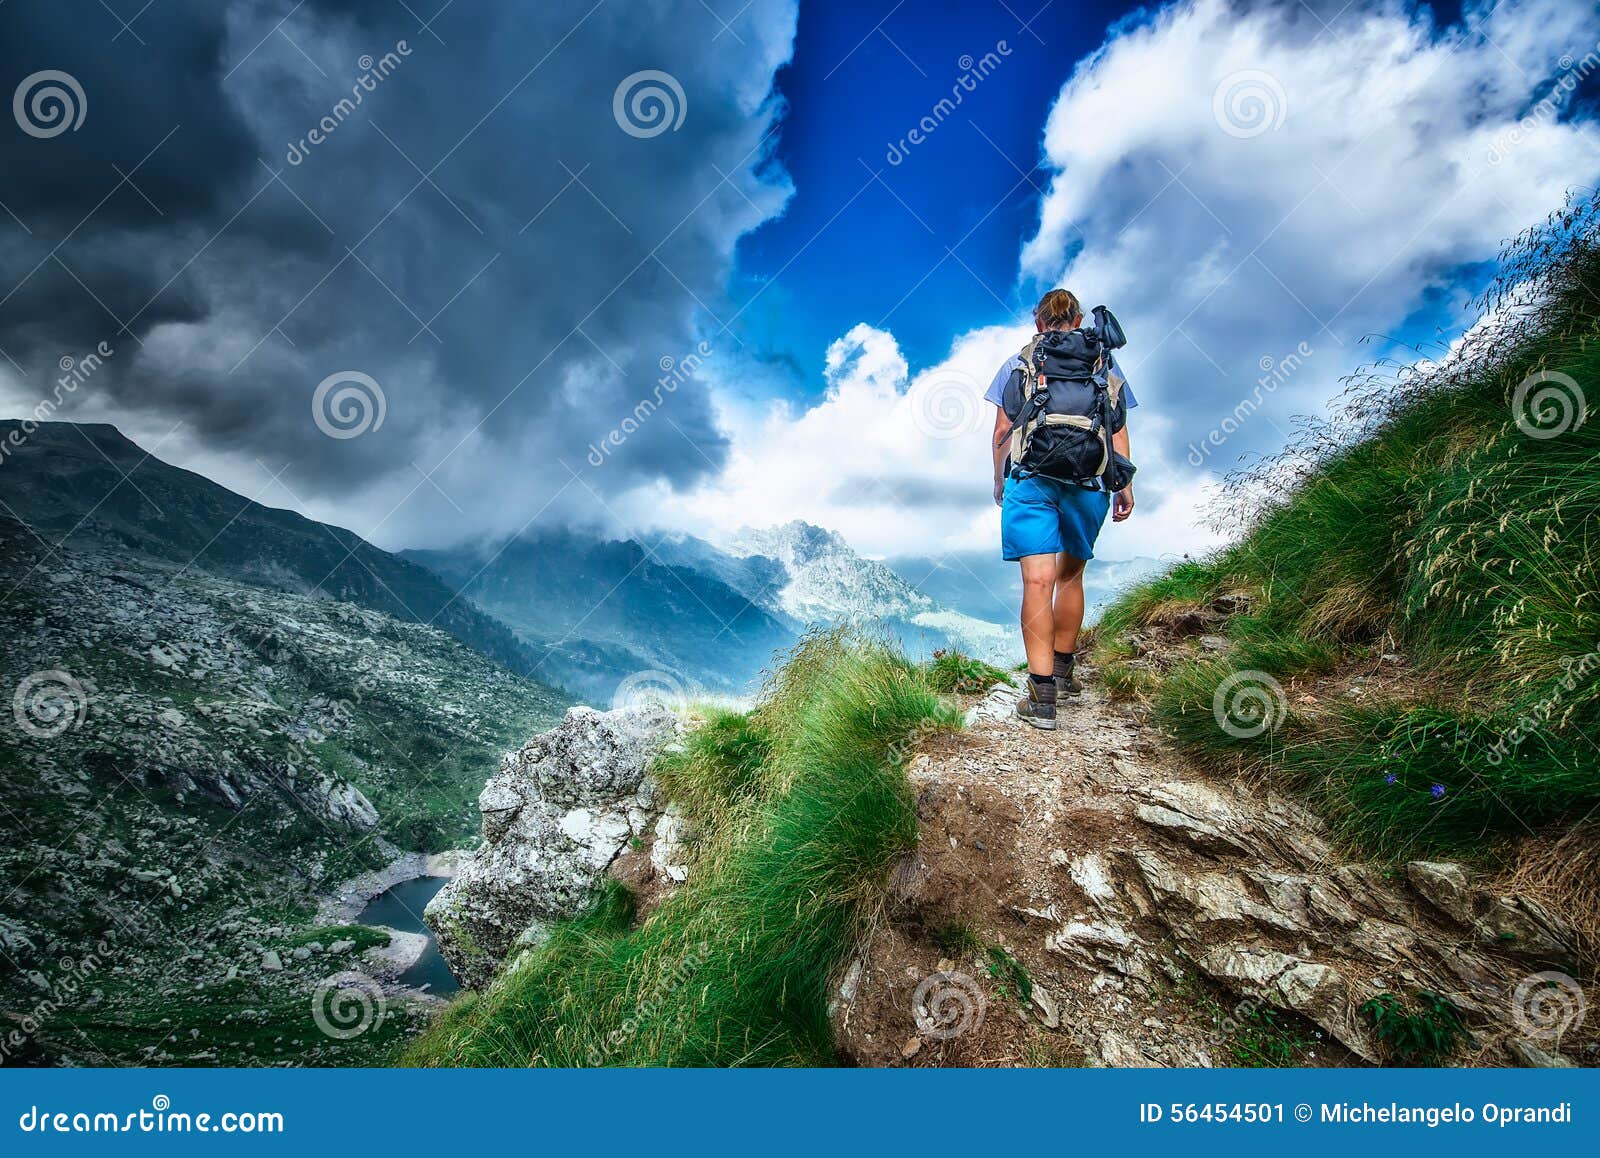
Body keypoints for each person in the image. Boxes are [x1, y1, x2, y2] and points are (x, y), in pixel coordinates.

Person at [987, 289, 1137, 729]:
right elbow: (1117, 428)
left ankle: (1041, 698)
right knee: (1070, 576)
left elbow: (1002, 431)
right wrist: (1124, 484)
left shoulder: (1020, 363)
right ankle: (1063, 670)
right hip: (1088, 482)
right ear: (1079, 319)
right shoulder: (1104, 362)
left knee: (1038, 581)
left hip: (1032, 480)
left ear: (1039, 322)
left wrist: (1000, 478)